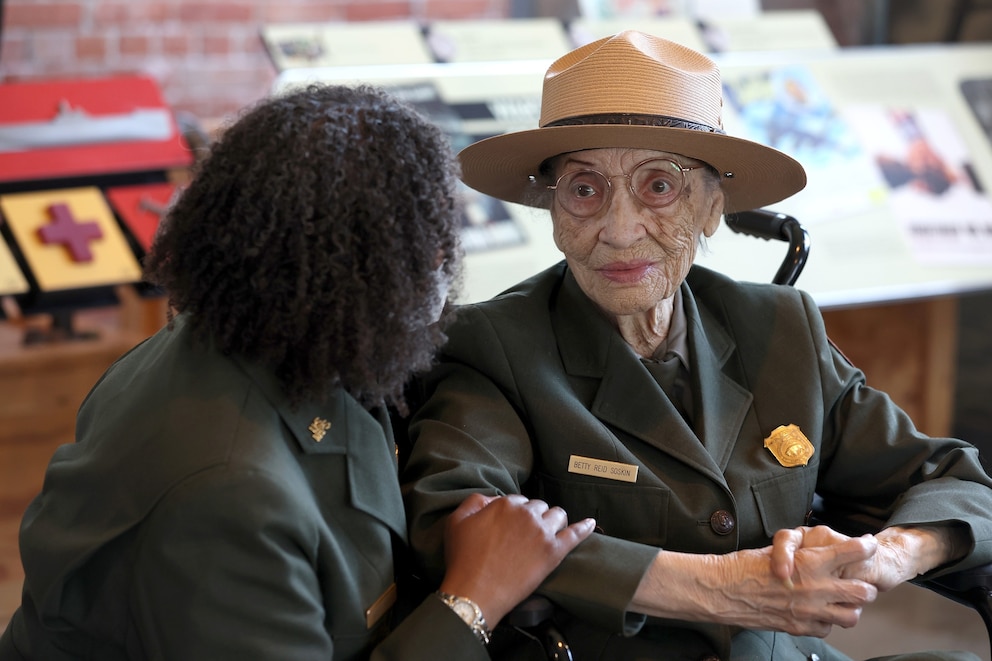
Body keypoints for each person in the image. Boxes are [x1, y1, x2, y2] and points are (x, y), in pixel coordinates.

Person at [400, 31, 992, 661]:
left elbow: (955, 479)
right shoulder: (496, 346)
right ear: (552, 207)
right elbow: (457, 522)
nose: (620, 230)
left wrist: (889, 555)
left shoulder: (778, 326)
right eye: (584, 189)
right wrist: (724, 587)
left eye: (660, 186)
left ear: (713, 207)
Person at [0, 84, 594, 661]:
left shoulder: (277, 339)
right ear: (354, 276)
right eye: (424, 251)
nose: (444, 267)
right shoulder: (231, 495)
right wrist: (473, 600)